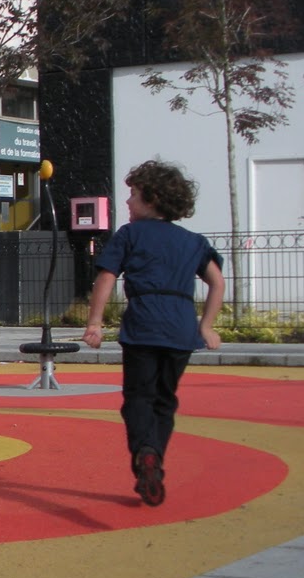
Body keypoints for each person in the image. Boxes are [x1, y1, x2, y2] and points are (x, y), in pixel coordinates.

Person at [82, 160, 224, 507]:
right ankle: (155, 454)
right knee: (164, 399)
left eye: (132, 195)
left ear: (153, 198)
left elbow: (106, 278)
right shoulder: (193, 241)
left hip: (144, 323)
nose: (127, 202)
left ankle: (145, 452)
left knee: (138, 399)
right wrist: (206, 326)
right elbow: (217, 282)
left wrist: (95, 323)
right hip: (180, 327)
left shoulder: (129, 235)